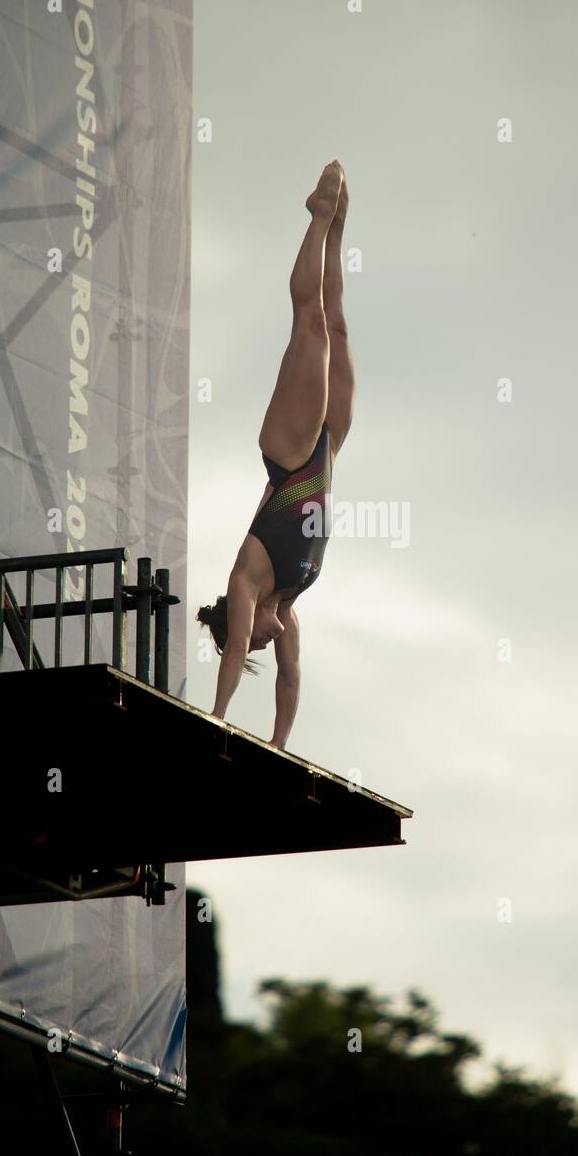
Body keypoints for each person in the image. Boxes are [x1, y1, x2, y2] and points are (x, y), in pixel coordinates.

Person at [197, 161, 354, 750]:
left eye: (258, 639)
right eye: (266, 642)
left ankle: (315, 218)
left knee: (309, 326)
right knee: (336, 328)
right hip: (327, 451)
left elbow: (235, 647)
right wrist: (279, 749)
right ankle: (337, 232)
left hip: (288, 451)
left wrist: (217, 717)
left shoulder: (247, 579)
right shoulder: (291, 603)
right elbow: (292, 681)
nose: (265, 641)